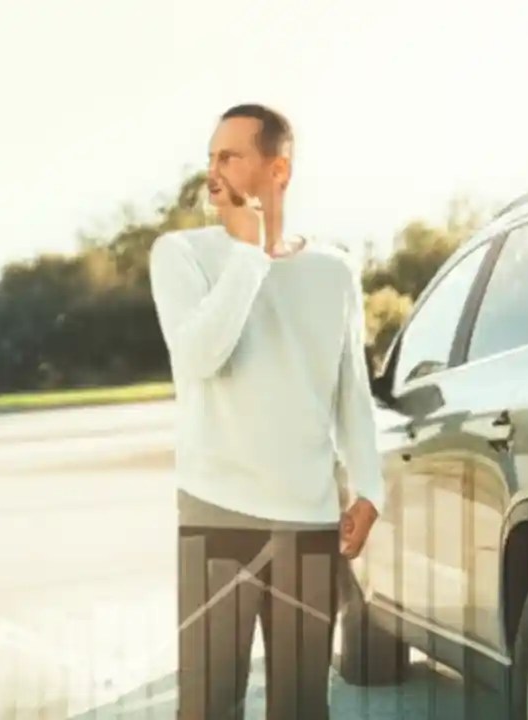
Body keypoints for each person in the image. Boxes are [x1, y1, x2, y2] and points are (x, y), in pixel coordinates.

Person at [149, 103, 385, 720]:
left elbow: (350, 390)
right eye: (210, 156)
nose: (214, 170)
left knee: (304, 706)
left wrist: (369, 487)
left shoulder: (334, 272)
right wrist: (248, 255)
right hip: (216, 515)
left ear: (278, 169)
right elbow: (200, 355)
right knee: (206, 707)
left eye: (231, 155)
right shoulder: (180, 256)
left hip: (309, 523)